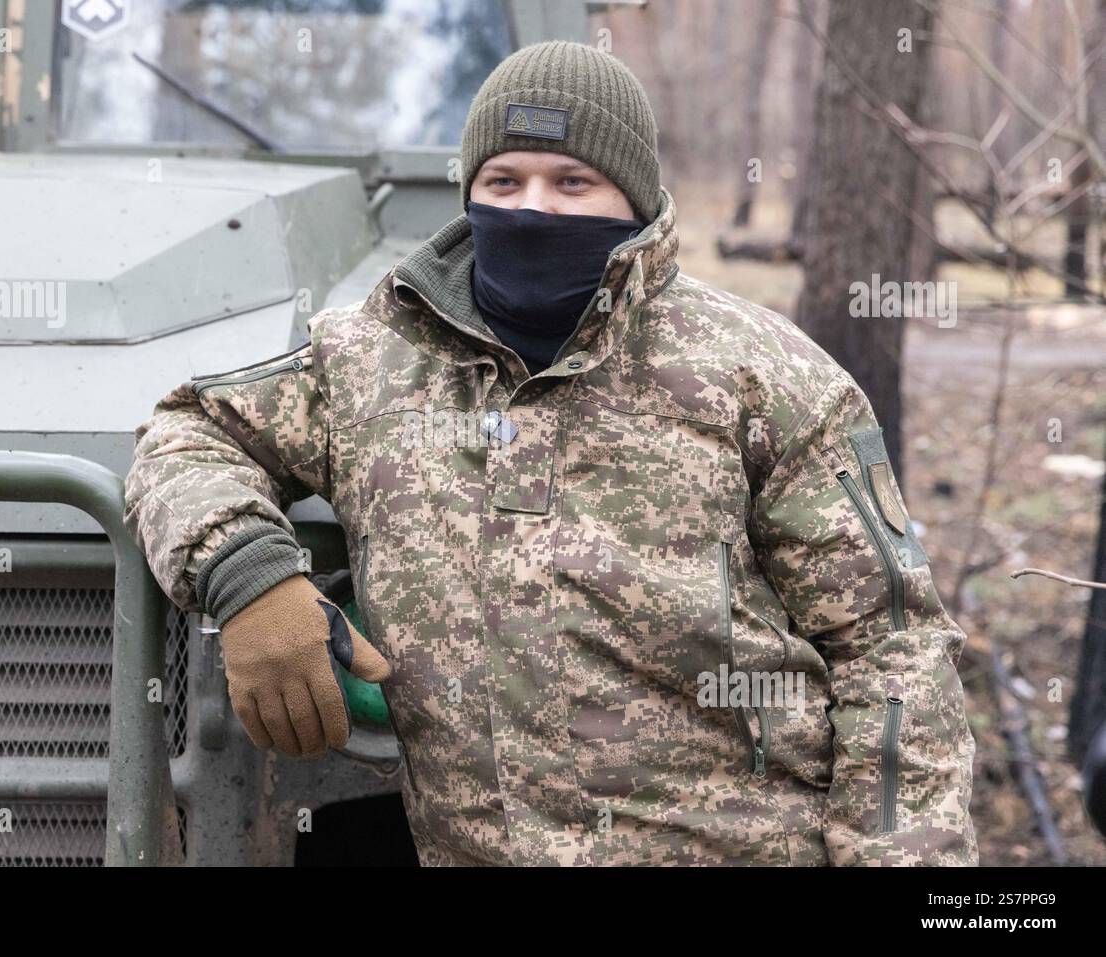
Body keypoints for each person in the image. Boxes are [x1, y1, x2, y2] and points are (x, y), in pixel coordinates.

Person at [123, 40, 977, 866]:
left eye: (574, 181)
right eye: (505, 180)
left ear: (636, 200)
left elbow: (891, 646)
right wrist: (251, 578)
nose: (535, 209)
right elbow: (185, 432)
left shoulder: (765, 375)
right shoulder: (370, 359)